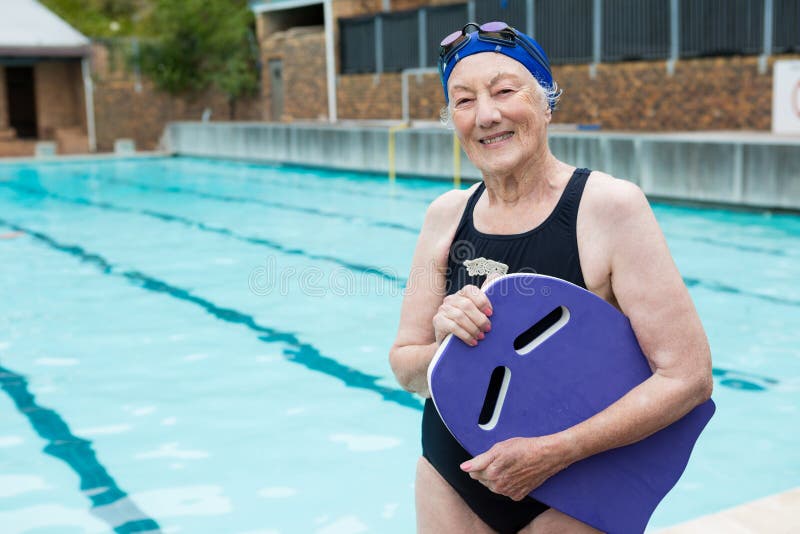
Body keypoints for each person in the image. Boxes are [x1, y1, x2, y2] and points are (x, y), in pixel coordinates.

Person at [388, 22, 713, 534]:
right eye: (465, 100)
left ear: (545, 101)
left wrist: (556, 452)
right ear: (452, 118)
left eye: (504, 91)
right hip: (452, 472)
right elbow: (405, 367)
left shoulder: (608, 207)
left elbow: (687, 377)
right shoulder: (445, 216)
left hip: (576, 483)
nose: (487, 115)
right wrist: (448, 346)